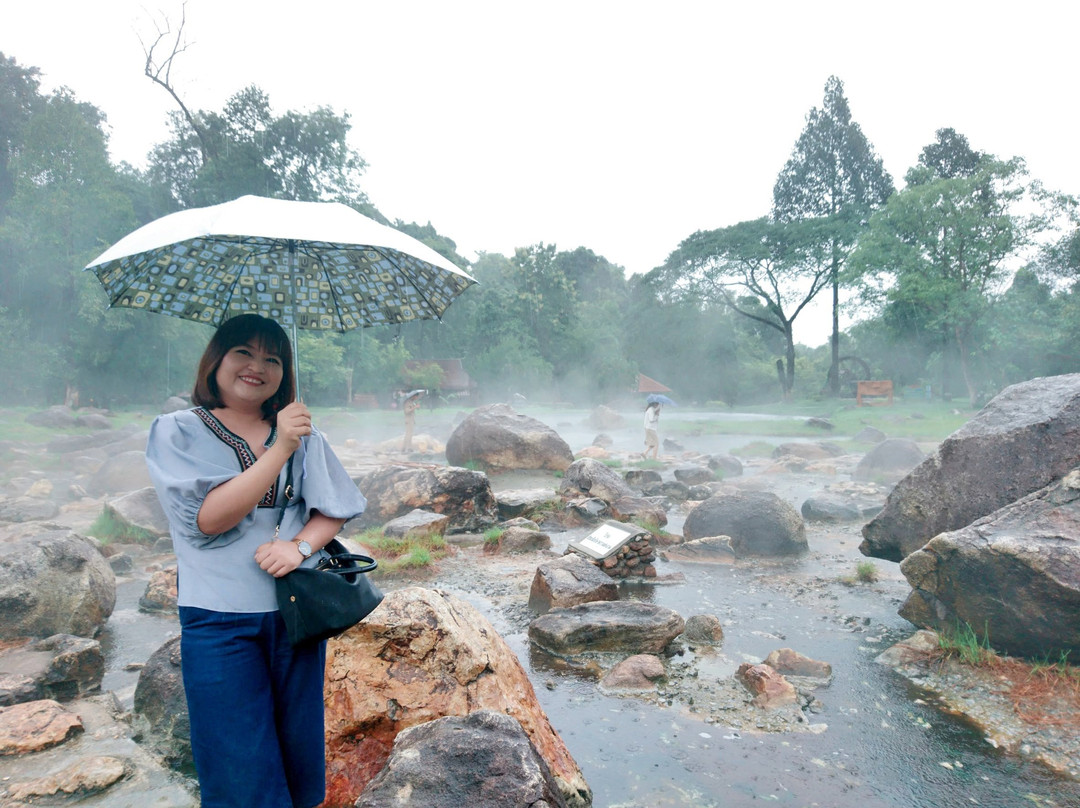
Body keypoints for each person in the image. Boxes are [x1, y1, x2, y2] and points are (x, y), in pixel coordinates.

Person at [145, 314, 366, 808]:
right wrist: (279, 445)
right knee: (239, 772)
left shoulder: (303, 432)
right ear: (216, 360)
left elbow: (334, 508)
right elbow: (209, 518)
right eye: (243, 352)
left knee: (298, 764)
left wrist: (299, 547)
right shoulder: (177, 431)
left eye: (272, 358)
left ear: (284, 371)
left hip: (294, 617)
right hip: (219, 623)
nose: (257, 366)